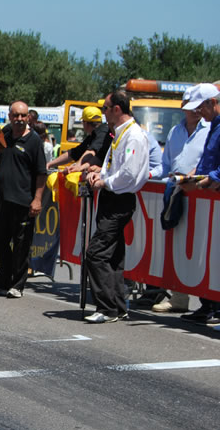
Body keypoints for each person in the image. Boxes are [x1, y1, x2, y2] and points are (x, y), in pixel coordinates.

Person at [82, 91, 150, 323]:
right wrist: (99, 172)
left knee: (96, 253)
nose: (103, 113)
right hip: (112, 197)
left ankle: (107, 308)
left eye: (106, 108)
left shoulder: (134, 136)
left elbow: (129, 173)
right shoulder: (120, 134)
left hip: (120, 199)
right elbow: (116, 167)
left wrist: (104, 181)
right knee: (112, 255)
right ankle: (118, 306)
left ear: (117, 109)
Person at [149, 88, 211, 313]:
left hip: (201, 194)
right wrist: (150, 176)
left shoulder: (211, 129)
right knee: (177, 244)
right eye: (190, 106)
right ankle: (179, 297)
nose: (195, 110)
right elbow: (165, 166)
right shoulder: (175, 131)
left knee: (203, 247)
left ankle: (208, 303)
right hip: (176, 192)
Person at [0, 101, 47, 299]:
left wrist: (37, 199)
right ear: (10, 116)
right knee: (1, 242)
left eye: (23, 116)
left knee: (21, 245)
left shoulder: (34, 141)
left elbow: (41, 173)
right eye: (15, 116)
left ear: (29, 117)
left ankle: (17, 285)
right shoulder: (6, 135)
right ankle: (1, 283)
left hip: (24, 202)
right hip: (4, 200)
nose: (19, 120)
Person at [177, 83, 220, 325]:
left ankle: (214, 306)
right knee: (208, 254)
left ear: (213, 102)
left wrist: (206, 180)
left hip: (213, 193)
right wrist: (194, 175)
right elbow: (209, 158)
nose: (198, 113)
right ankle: (209, 305)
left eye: (201, 107)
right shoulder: (214, 125)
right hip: (208, 195)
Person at [47, 106, 111, 173]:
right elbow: (74, 153)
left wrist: (77, 167)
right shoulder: (92, 135)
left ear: (85, 123)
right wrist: (50, 164)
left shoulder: (103, 132)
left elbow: (91, 151)